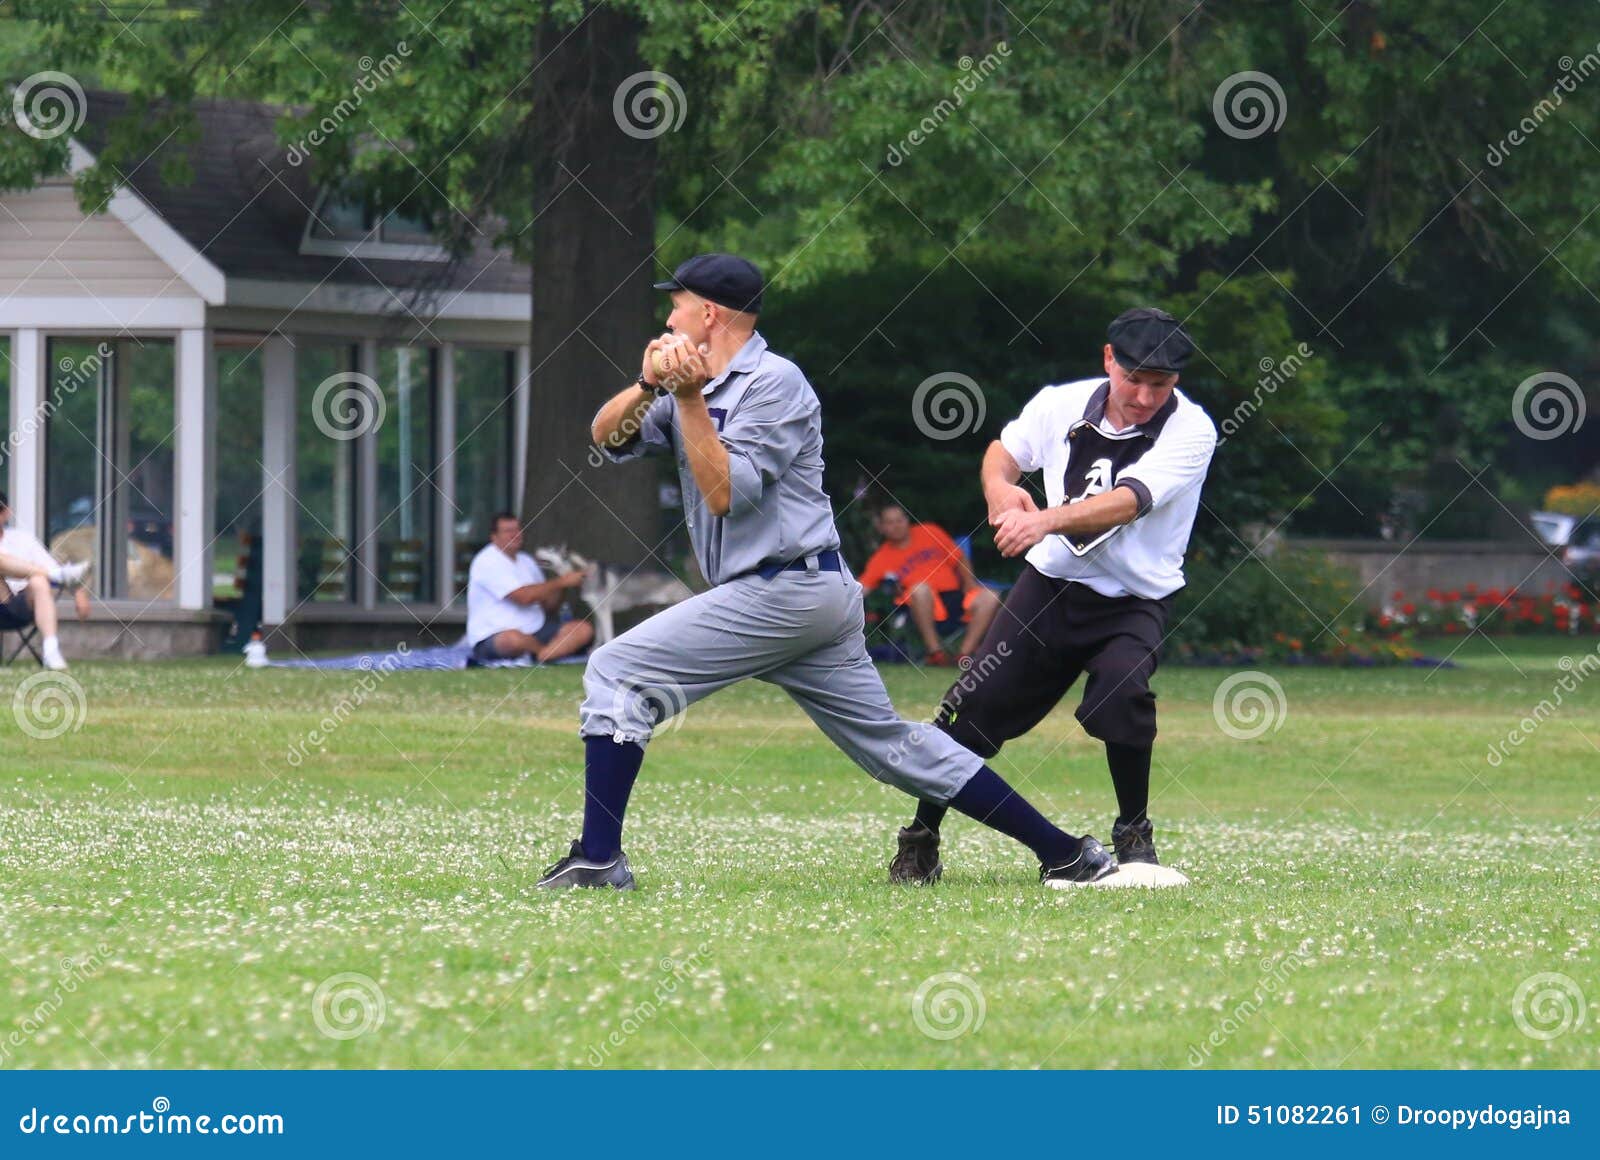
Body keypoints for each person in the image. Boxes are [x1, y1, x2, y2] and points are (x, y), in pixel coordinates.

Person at [535, 252, 1119, 892]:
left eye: (674, 304)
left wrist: (689, 397)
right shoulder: (683, 385)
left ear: (708, 313)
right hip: (791, 594)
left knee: (617, 669)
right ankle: (1067, 854)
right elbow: (605, 438)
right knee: (892, 748)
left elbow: (728, 493)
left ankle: (597, 858)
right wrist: (648, 386)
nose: (667, 315)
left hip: (789, 589)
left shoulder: (775, 383)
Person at [888, 307, 1217, 884]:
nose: (1143, 396)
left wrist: (1044, 521)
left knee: (1124, 695)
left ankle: (1133, 832)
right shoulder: (1058, 403)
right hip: (1048, 590)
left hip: (1133, 601)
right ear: (1107, 359)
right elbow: (1003, 452)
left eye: (1159, 385)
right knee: (970, 710)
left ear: (1177, 381)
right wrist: (1000, 492)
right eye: (1133, 379)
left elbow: (1129, 501)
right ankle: (921, 838)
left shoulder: (1192, 430)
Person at [858, 503, 1000, 665]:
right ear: (882, 527)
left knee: (990, 596)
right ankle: (936, 653)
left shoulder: (930, 531)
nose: (896, 526)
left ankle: (963, 654)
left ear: (906, 520)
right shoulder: (881, 558)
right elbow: (862, 588)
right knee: (920, 589)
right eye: (890, 522)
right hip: (921, 606)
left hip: (955, 596)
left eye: (899, 520)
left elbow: (960, 558)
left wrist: (968, 582)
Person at [465, 513, 594, 665]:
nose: (515, 535)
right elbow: (523, 597)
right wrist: (561, 582)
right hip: (495, 634)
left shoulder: (527, 561)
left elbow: (548, 607)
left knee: (583, 629)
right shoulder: (486, 561)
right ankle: (548, 653)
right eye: (508, 531)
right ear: (494, 537)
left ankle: (543, 655)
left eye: (518, 530)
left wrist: (563, 585)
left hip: (537, 629)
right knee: (513, 640)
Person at [0, 490, 91, 671]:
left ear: (7, 512)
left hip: (21, 605)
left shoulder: (22, 539)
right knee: (44, 575)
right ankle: (55, 577)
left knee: (39, 582)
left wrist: (78, 591)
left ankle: (51, 650)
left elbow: (51, 565)